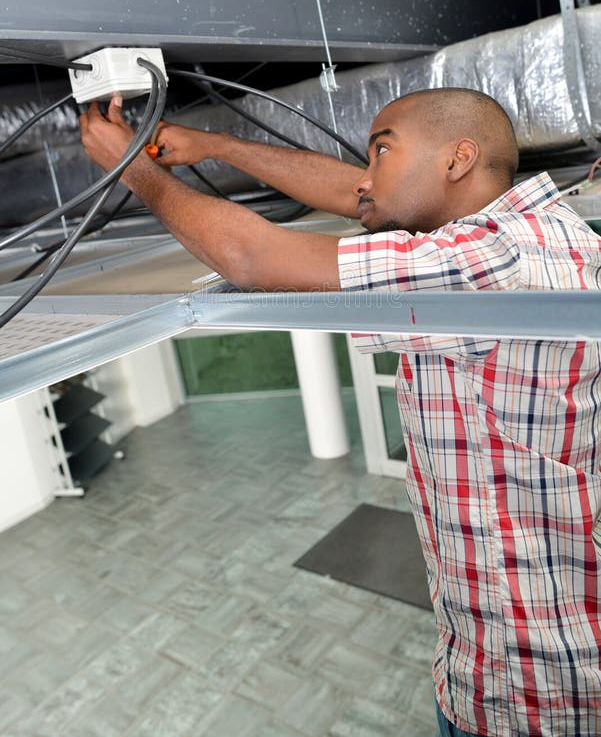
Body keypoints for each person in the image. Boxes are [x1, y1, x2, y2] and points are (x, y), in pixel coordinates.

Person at [80, 87, 601, 737]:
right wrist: (212, 147)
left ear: (456, 158)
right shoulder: (535, 231)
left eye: (381, 151)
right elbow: (359, 195)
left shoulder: (486, 264)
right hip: (506, 649)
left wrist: (134, 168)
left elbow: (253, 257)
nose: (366, 177)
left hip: (525, 688)